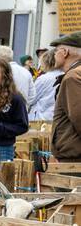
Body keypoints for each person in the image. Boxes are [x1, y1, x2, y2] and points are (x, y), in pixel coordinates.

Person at [49, 31, 81, 161]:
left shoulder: (73, 77)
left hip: (74, 157)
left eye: (56, 51)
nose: (54, 55)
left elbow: (79, 117)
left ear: (65, 52)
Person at [29, 48, 63, 122]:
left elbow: (32, 98)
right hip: (57, 117)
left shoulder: (43, 79)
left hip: (41, 117)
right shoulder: (65, 75)